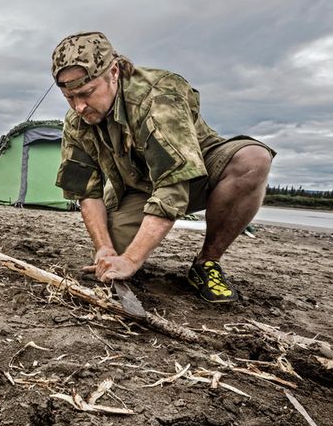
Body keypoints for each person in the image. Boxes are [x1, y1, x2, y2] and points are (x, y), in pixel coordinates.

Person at [52, 32, 274, 303]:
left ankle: (207, 263)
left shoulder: (158, 95)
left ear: (113, 72)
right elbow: (87, 191)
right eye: (69, 98)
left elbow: (173, 183)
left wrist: (133, 259)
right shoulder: (77, 121)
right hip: (138, 189)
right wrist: (105, 248)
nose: (79, 107)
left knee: (253, 160)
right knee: (112, 263)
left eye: (86, 93)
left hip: (198, 177)